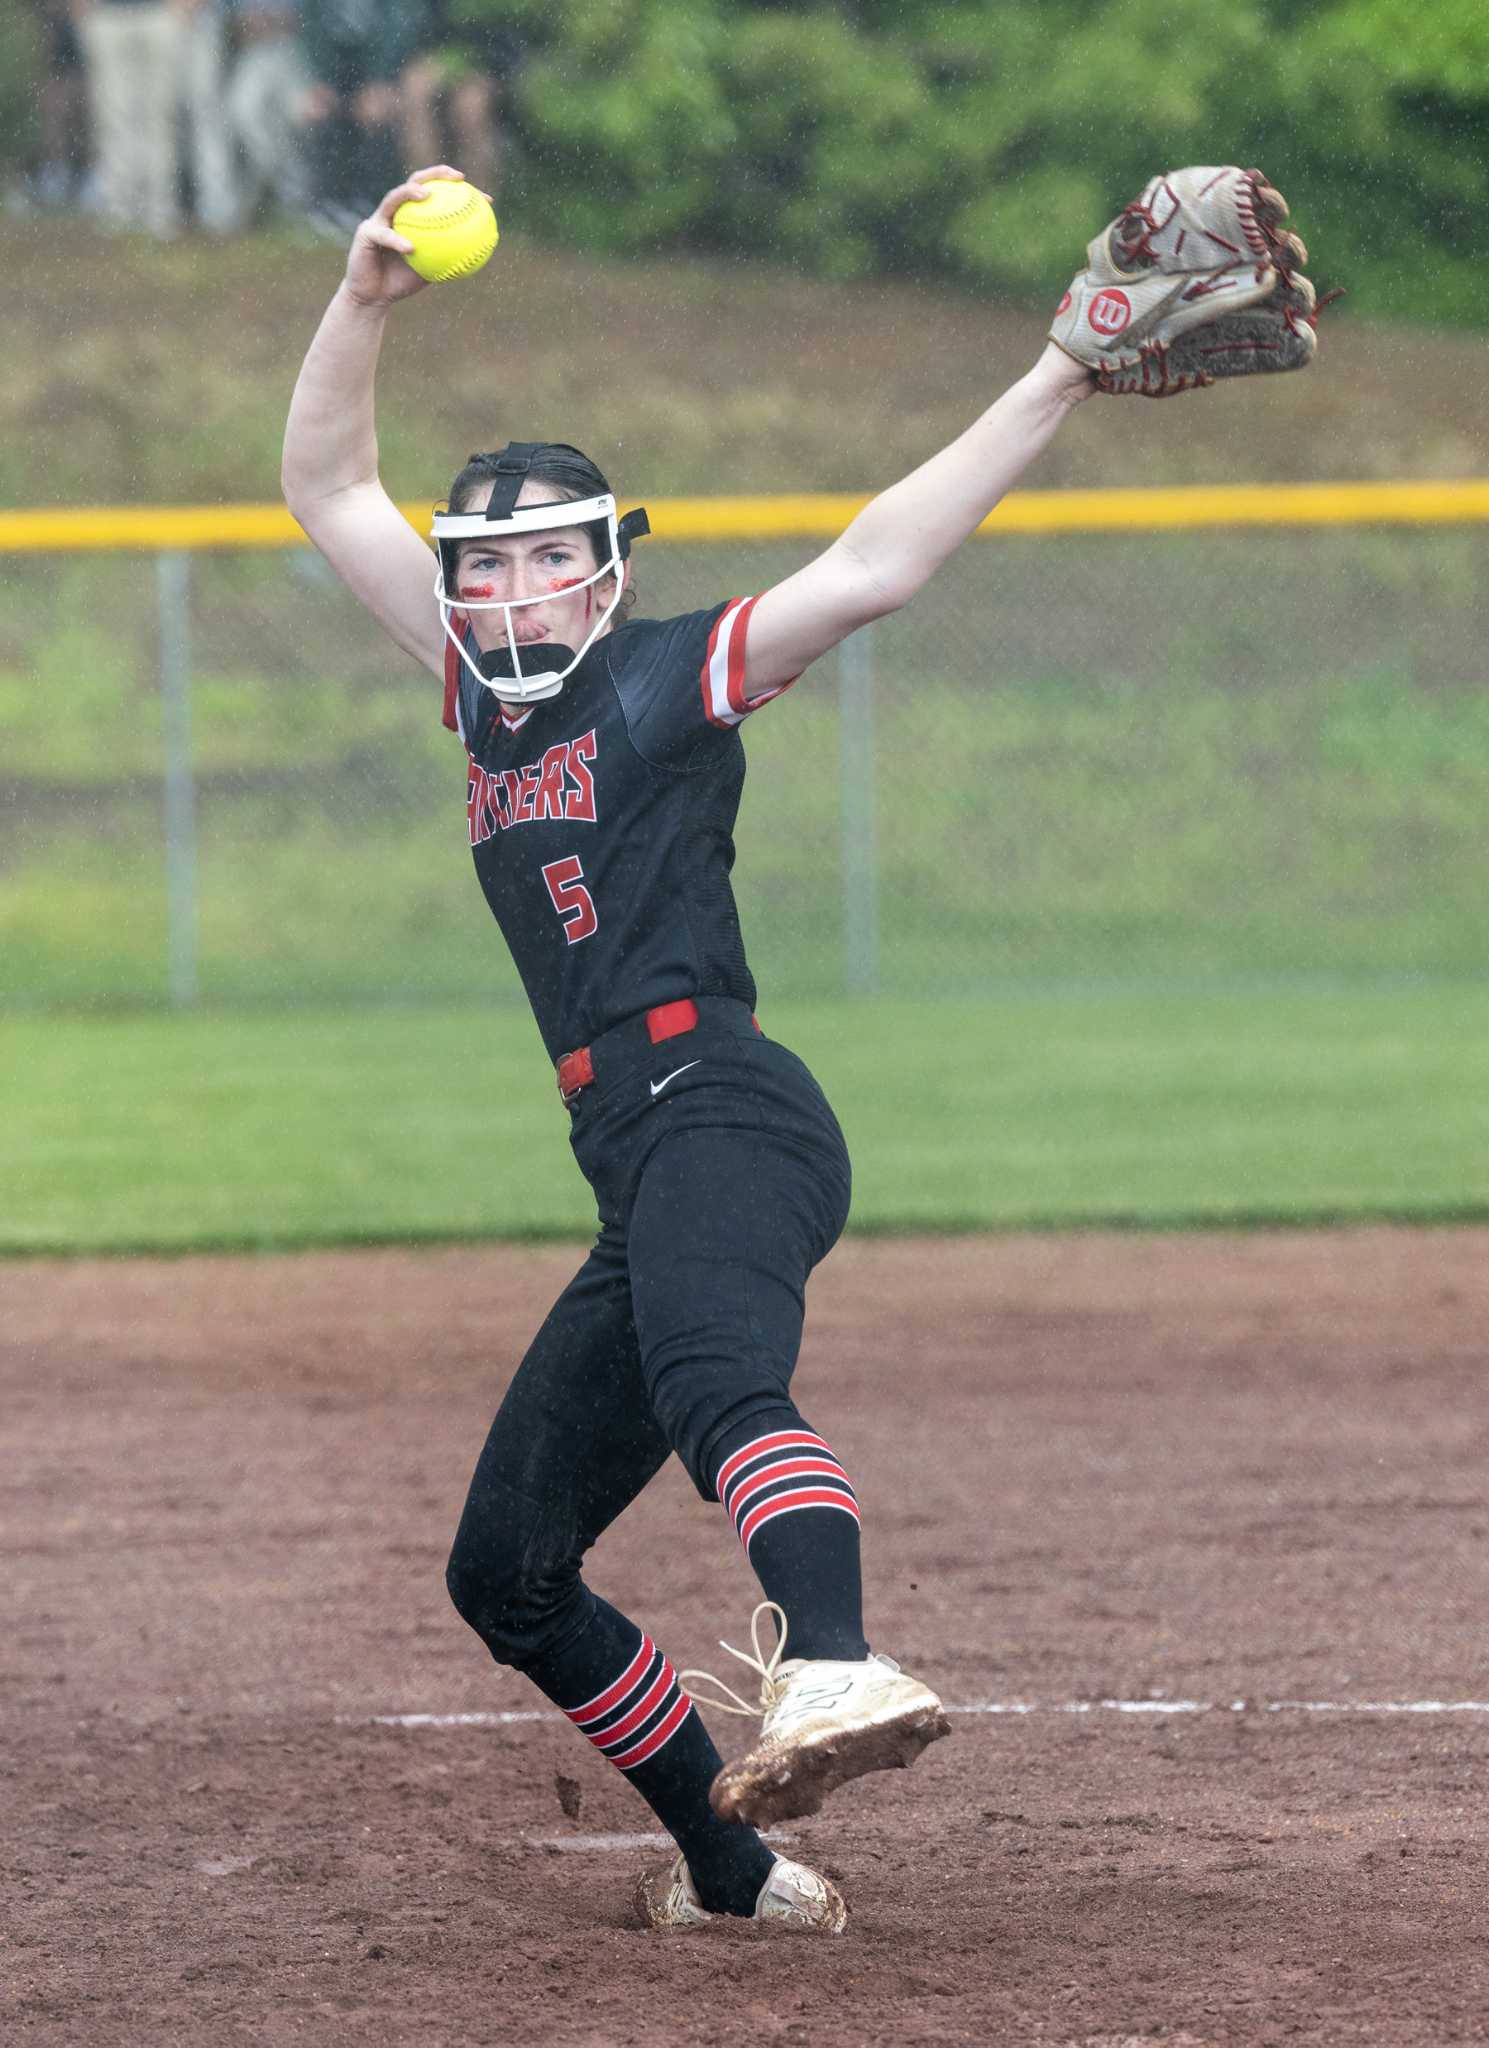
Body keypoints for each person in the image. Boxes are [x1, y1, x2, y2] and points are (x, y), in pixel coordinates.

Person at [283, 163, 1311, 1930]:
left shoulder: (663, 676)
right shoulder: (473, 697)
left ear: (606, 572)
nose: (517, 585)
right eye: (489, 563)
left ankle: (830, 1656)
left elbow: (877, 561)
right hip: (632, 1149)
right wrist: (364, 298)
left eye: (549, 555)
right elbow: (320, 481)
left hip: (726, 1105)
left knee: (710, 1380)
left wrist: (1057, 369)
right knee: (508, 1572)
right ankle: (735, 1864)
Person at [399, 1, 519, 201]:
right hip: (440, 52)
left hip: (490, 61)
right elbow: (421, 25)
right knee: (416, 91)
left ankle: (479, 203)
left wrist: (492, 69)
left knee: (470, 109)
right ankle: (422, 197)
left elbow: (508, 32)